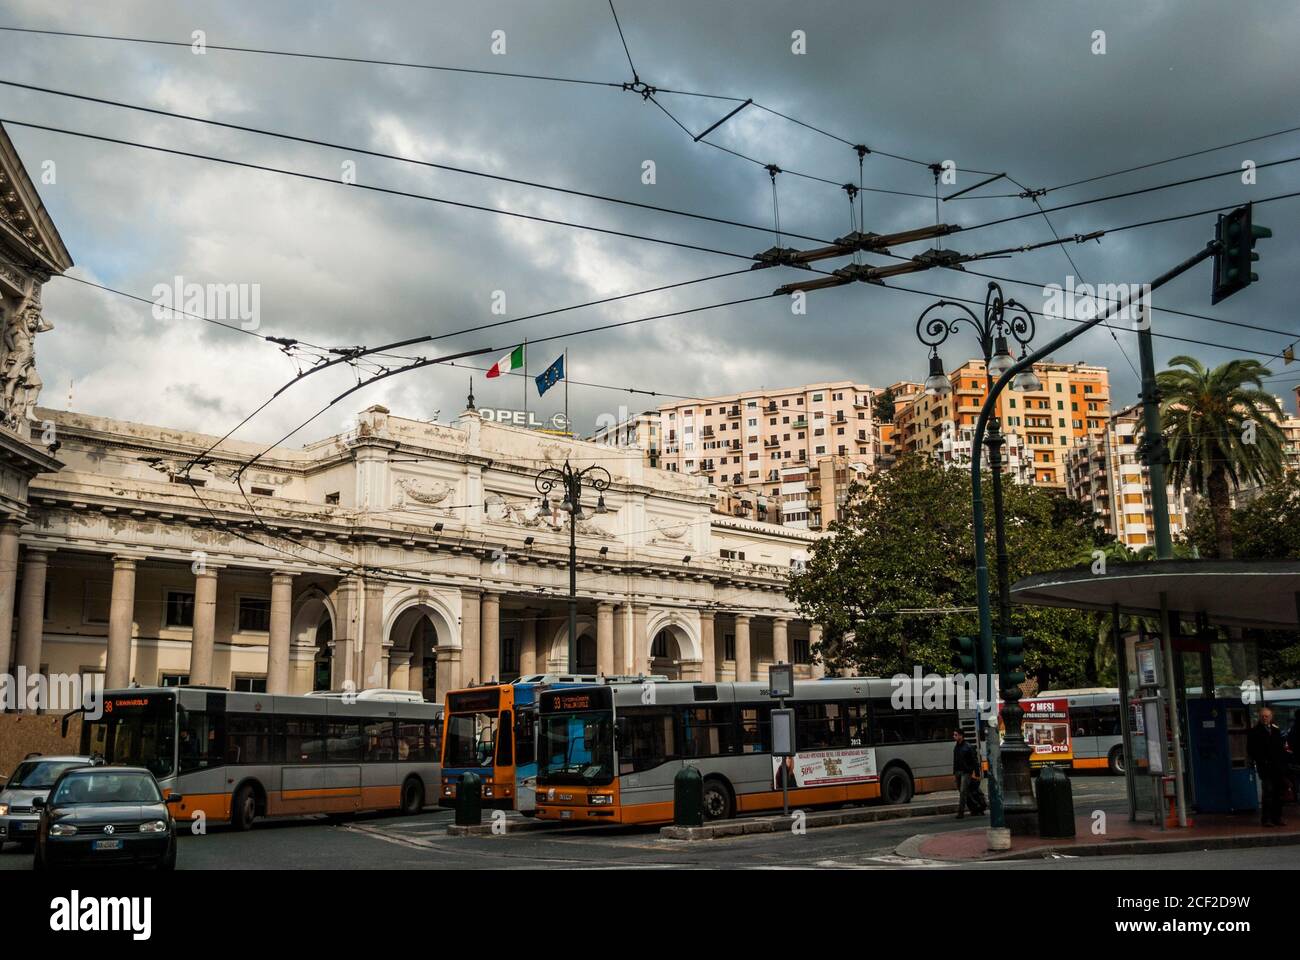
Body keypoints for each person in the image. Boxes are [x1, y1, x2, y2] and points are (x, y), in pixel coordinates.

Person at [1247, 707, 1288, 827]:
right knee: (1268, 792)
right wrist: (1260, 761)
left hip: (1278, 767)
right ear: (1259, 717)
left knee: (1278, 793)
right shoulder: (1255, 731)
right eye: (1263, 716)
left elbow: (1281, 748)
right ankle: (1267, 819)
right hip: (1265, 767)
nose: (1265, 718)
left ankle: (1277, 817)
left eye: (1267, 716)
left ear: (1271, 717)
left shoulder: (1276, 730)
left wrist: (1283, 763)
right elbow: (1251, 749)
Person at [952, 728, 983, 818]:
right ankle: (976, 806)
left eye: (956, 735)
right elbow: (955, 760)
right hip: (958, 772)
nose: (954, 736)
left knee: (963, 792)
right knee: (964, 792)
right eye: (954, 735)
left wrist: (977, 773)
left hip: (966, 772)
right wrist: (954, 772)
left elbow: (974, 760)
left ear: (961, 736)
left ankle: (960, 812)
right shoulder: (956, 747)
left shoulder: (968, 747)